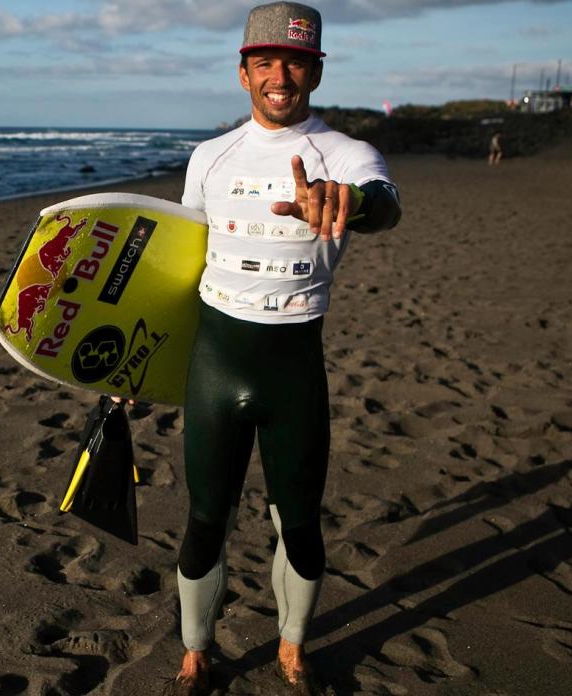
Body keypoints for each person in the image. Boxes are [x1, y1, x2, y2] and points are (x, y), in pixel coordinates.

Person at [162, 3, 401, 694]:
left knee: (298, 522)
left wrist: (347, 203)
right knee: (206, 517)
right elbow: (180, 269)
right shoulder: (211, 157)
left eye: (295, 62)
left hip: (294, 366)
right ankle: (197, 650)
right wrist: (137, 362)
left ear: (315, 72)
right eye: (264, 62)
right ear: (243, 74)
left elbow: (385, 204)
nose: (279, 76)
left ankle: (292, 648)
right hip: (215, 360)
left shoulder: (348, 158)